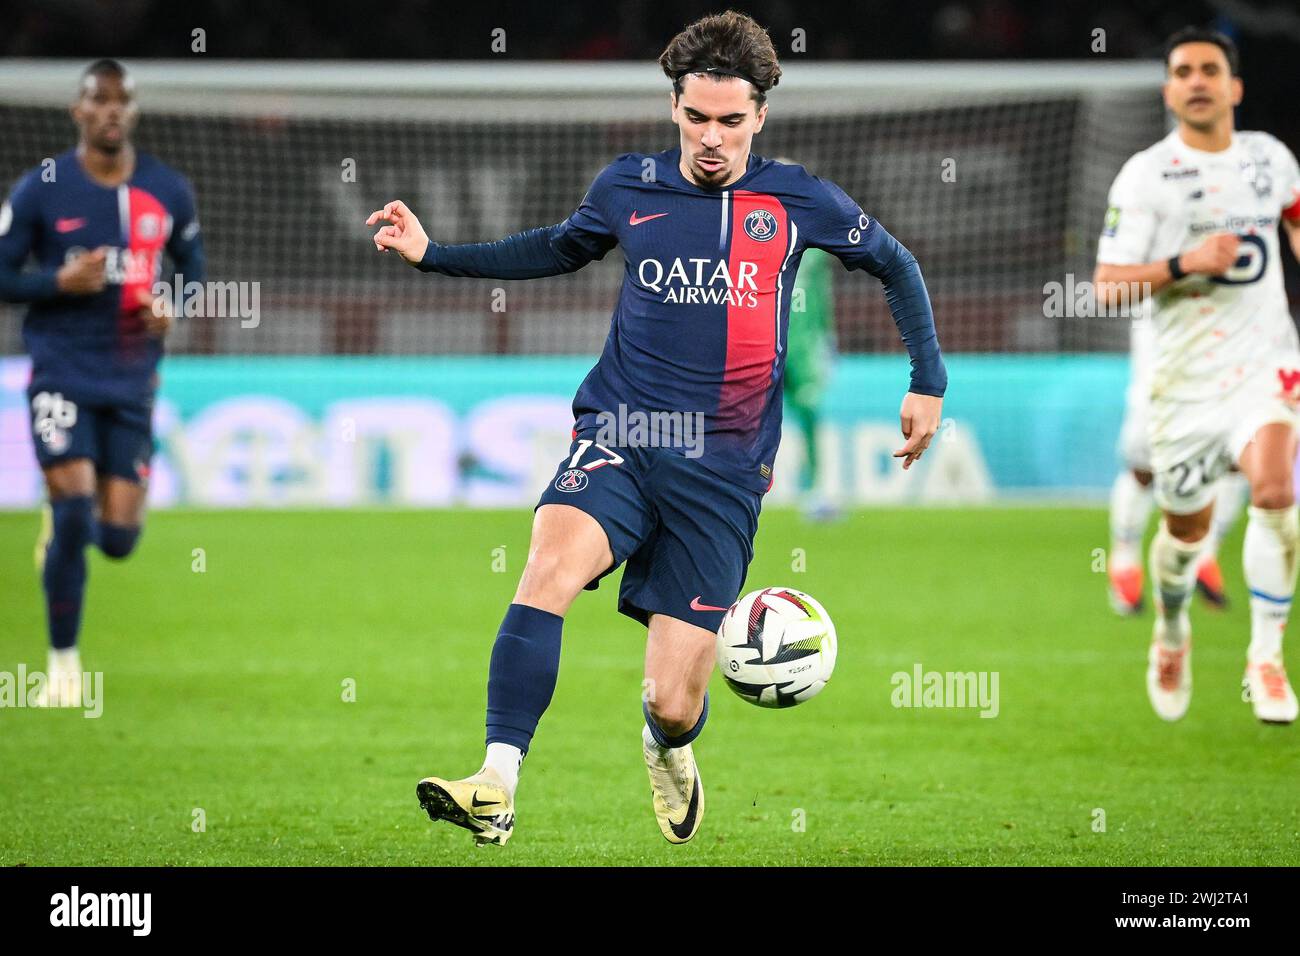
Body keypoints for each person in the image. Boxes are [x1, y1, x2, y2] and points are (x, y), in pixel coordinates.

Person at [368, 11, 946, 845]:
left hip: (725, 471)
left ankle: (665, 746)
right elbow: (557, 248)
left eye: (731, 121)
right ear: (675, 108)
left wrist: (928, 379)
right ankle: (496, 779)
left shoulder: (797, 199)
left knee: (672, 703)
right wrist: (435, 253)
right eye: (696, 117)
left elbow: (896, 264)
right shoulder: (627, 187)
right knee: (547, 569)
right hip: (623, 432)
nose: (712, 138)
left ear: (761, 117)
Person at [1094, 27, 1300, 723]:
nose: (1198, 80)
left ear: (1235, 87)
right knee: (1184, 537)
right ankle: (1171, 627)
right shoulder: (1146, 175)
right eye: (1184, 71)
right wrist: (1186, 264)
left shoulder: (1272, 161)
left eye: (1211, 69)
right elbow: (1106, 286)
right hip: (1182, 385)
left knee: (1275, 492)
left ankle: (1265, 659)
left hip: (1265, 368)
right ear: (1169, 90)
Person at [0, 59, 204, 706]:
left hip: (132, 377)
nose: (112, 110)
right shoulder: (42, 187)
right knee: (72, 508)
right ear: (79, 112)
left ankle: (70, 532)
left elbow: (193, 267)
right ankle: (63, 670)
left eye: (123, 100)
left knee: (115, 538)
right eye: (99, 99)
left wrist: (173, 303)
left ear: (133, 111)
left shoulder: (167, 189)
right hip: (62, 369)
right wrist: (55, 283)